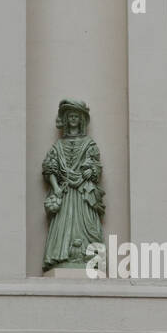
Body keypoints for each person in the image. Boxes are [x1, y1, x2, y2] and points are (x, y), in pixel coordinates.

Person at [42, 98, 105, 270]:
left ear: (81, 119)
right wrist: (56, 189)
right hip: (66, 193)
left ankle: (89, 258)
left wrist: (90, 171)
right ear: (66, 119)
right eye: (70, 116)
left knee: (88, 226)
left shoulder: (89, 144)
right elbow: (49, 168)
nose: (73, 119)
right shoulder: (58, 145)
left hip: (83, 194)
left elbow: (96, 167)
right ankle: (62, 257)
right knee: (64, 226)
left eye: (76, 116)